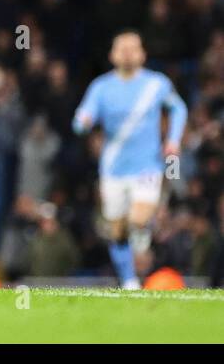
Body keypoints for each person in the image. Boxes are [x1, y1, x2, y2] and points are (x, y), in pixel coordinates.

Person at [73, 30, 187, 289]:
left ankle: (142, 242)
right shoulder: (101, 87)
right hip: (113, 168)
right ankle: (129, 281)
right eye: (121, 48)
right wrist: (83, 123)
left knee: (138, 218)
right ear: (112, 55)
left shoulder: (156, 84)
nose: (126, 52)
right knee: (116, 231)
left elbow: (178, 108)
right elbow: (82, 117)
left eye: (132, 47)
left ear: (142, 54)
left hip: (147, 165)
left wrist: (173, 140)